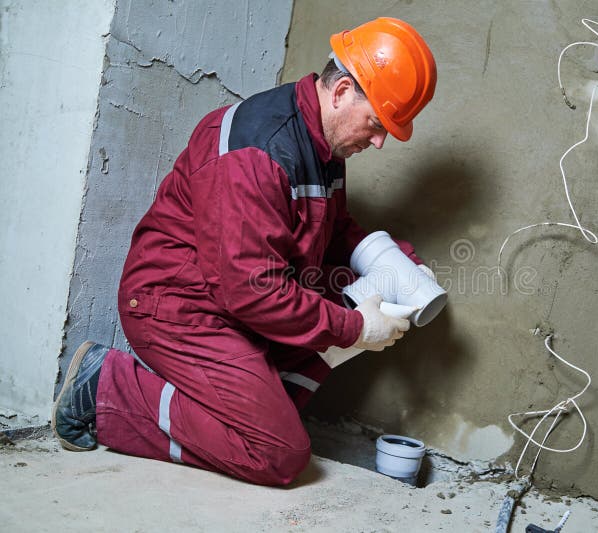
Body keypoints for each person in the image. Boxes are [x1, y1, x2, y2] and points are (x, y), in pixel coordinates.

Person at [51, 17, 437, 486]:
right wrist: (356, 326)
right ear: (340, 93)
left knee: (329, 321)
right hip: (176, 308)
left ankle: (252, 407)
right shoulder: (259, 153)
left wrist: (396, 260)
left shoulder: (322, 146)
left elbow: (334, 231)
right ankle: (106, 391)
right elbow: (252, 292)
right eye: (377, 123)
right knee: (278, 455)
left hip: (231, 307)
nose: (378, 141)